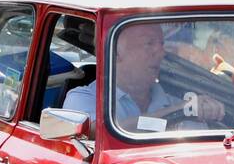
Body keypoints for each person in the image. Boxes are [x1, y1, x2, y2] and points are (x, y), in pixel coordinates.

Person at [64, 22, 224, 129]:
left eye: (161, 44)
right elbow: (97, 131)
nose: (161, 53)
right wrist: (177, 113)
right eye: (149, 44)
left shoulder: (177, 104)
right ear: (114, 52)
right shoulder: (83, 99)